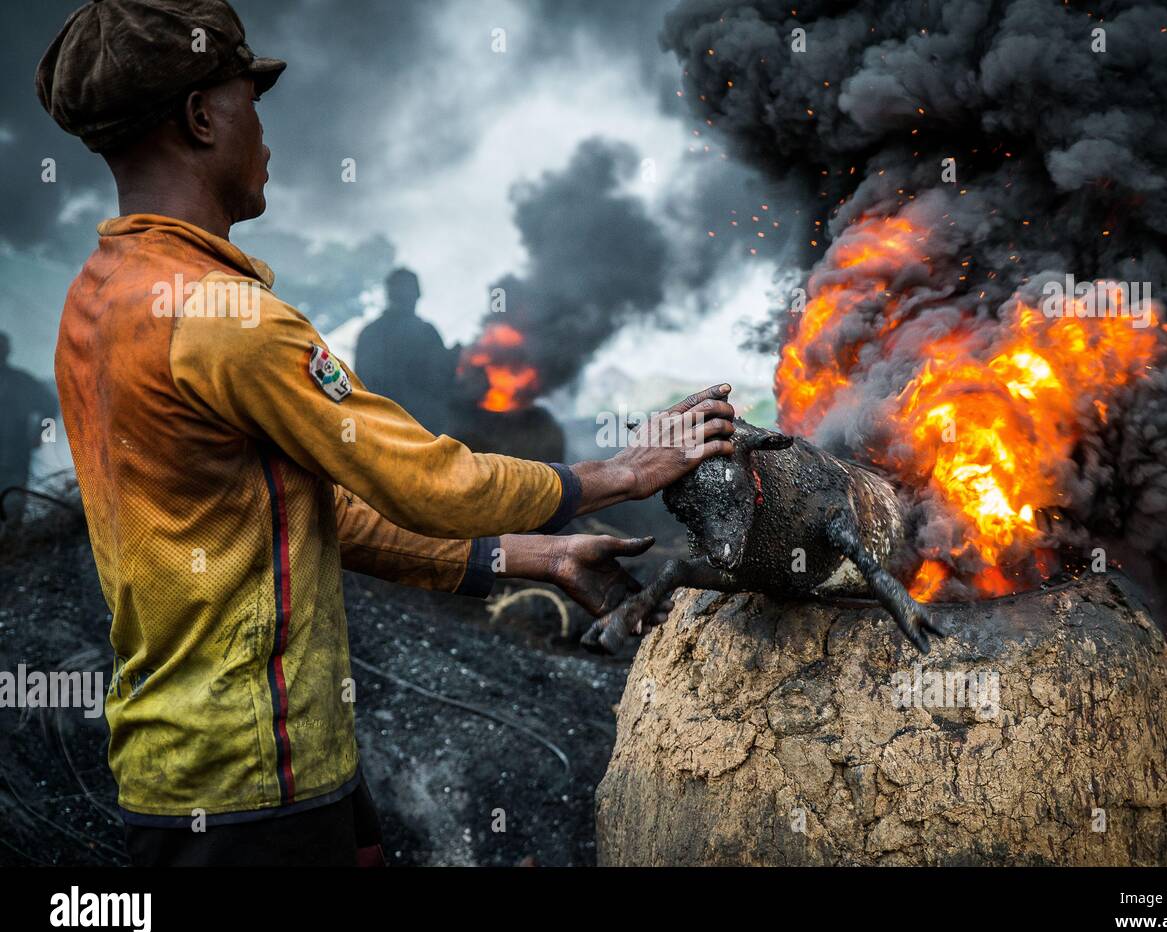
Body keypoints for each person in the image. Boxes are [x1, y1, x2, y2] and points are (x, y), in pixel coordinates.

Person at [36, 0, 734, 866]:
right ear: (200, 116)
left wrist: (524, 555)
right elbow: (425, 482)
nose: (266, 129)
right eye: (250, 97)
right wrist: (616, 474)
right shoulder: (229, 322)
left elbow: (310, 511)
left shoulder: (97, 298)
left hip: (188, 774)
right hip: (262, 787)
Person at [354, 268, 457, 434]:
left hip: (381, 429)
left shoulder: (370, 333)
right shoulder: (426, 333)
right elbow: (441, 380)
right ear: (417, 294)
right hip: (422, 430)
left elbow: (361, 387)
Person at [0, 332, 58, 524]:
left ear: (8, 350)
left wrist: (43, 437)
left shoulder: (22, 382)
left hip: (15, 458)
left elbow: (51, 407)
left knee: (12, 511)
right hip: (14, 457)